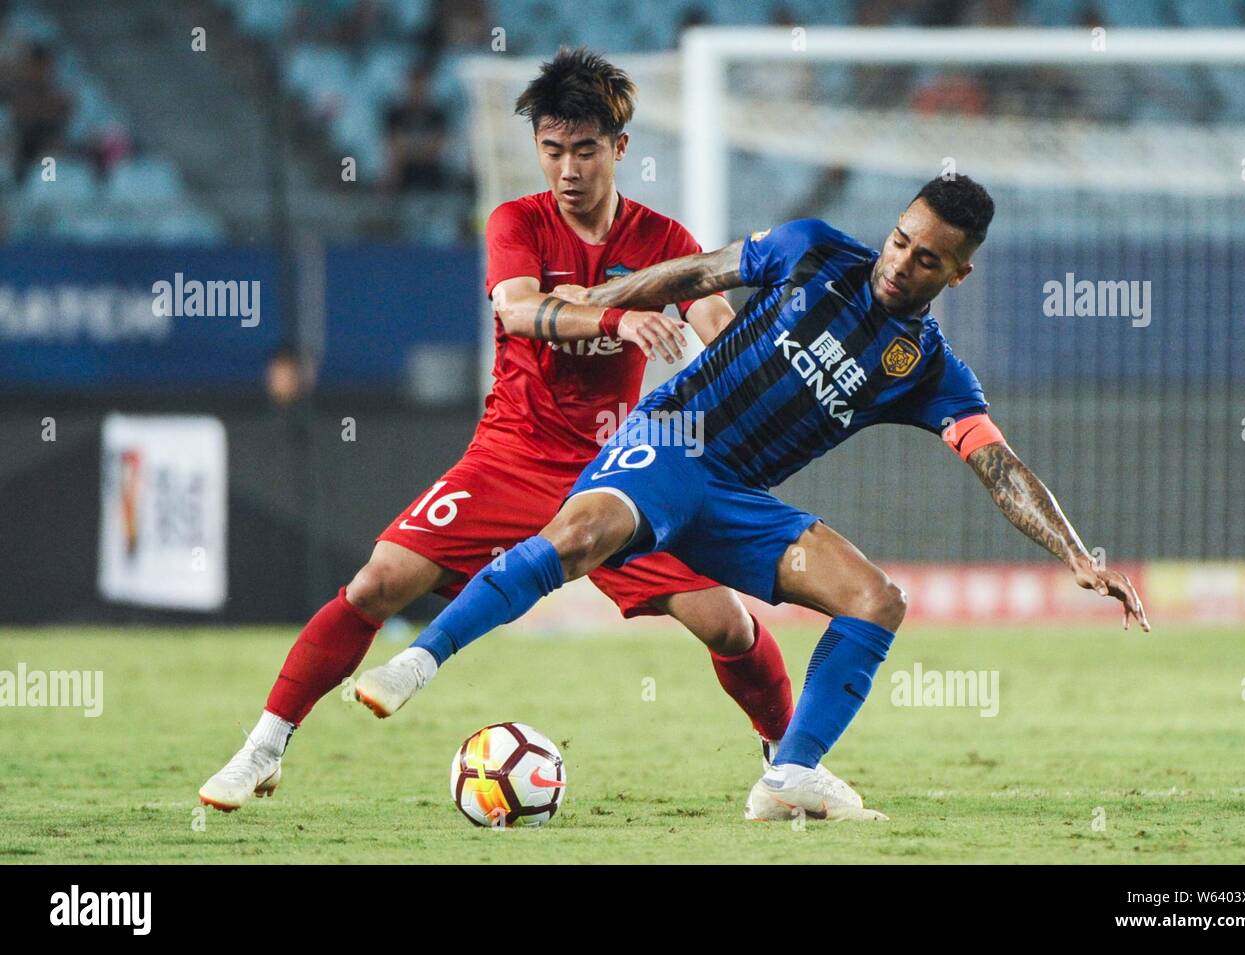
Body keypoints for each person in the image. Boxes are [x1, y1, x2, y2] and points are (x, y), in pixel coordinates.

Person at [356, 174, 1151, 821]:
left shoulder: (928, 368)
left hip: (738, 501)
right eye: (901, 240)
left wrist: (1077, 554)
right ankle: (418, 660)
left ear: (958, 272)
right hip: (672, 446)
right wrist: (615, 305)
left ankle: (788, 774)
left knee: (877, 600)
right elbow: (699, 273)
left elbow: (999, 465)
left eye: (927, 259)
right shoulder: (811, 250)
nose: (902, 262)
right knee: (577, 538)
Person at [199, 49, 806, 812]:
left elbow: (715, 322)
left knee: (727, 624)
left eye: (585, 149)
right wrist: (620, 316)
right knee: (377, 581)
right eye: (553, 149)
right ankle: (263, 747)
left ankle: (790, 766)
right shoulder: (516, 221)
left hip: (619, 474)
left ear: (620, 148)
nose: (568, 167)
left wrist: (760, 356)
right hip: (510, 457)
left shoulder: (663, 239)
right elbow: (518, 311)